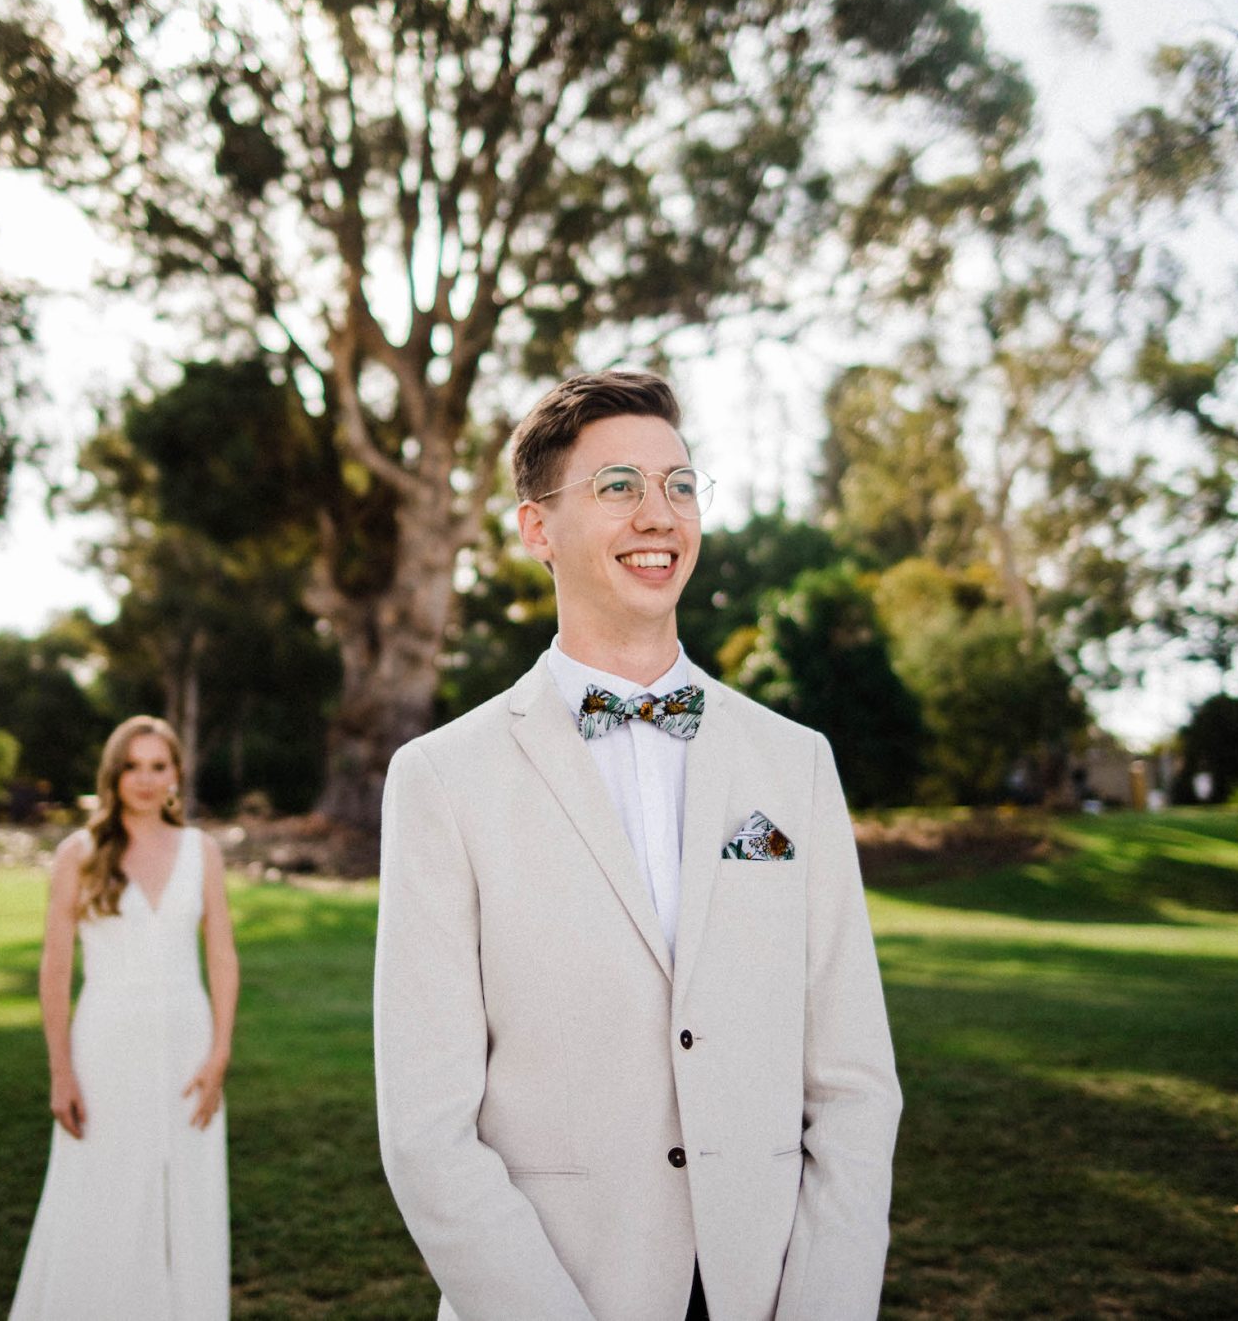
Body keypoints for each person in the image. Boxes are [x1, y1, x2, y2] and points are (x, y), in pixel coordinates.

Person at [374, 371, 901, 1321]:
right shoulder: (441, 779)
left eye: (681, 485)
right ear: (537, 529)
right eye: (618, 486)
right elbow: (425, 1130)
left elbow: (857, 1088)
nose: (660, 515)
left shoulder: (797, 765)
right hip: (554, 1292)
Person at [10, 715, 238, 1320]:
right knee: (103, 1196)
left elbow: (222, 957)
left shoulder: (202, 852)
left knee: (188, 1194)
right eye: (132, 766)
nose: (144, 779)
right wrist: (61, 1074)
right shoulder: (78, 854)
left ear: (175, 776)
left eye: (157, 766)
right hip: (105, 1051)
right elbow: (55, 973)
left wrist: (220, 1053)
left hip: (188, 1048)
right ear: (113, 775)